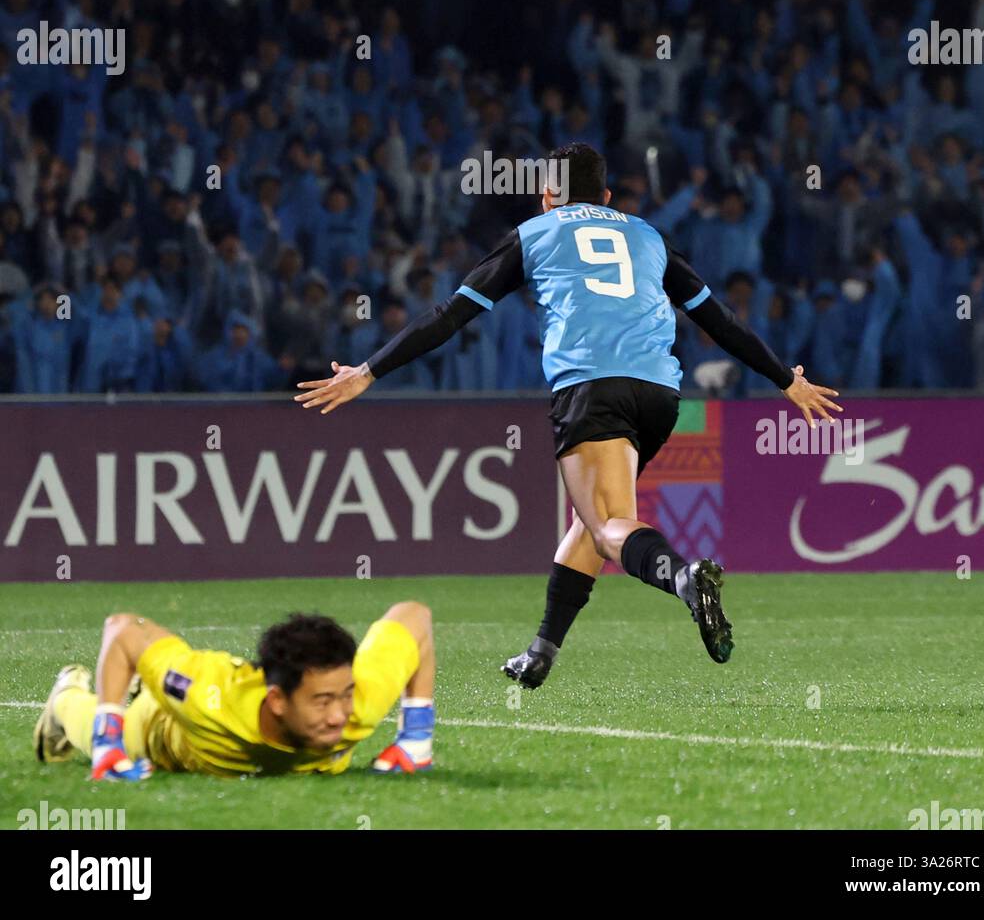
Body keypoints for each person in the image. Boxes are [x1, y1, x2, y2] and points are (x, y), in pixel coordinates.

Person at [296, 143, 841, 688]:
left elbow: (448, 315)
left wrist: (367, 372)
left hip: (591, 384)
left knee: (607, 527)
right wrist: (786, 380)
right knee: (593, 522)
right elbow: (718, 319)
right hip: (658, 392)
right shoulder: (647, 235)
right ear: (606, 196)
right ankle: (541, 652)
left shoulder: (537, 233)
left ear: (546, 196)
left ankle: (684, 577)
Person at [34, 602, 436, 780]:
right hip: (164, 734)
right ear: (277, 701)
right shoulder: (208, 695)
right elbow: (122, 629)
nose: (338, 715)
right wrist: (108, 741)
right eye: (322, 701)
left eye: (343, 696)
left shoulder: (357, 701)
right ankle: (66, 693)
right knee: (84, 721)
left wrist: (416, 737)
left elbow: (414, 616)